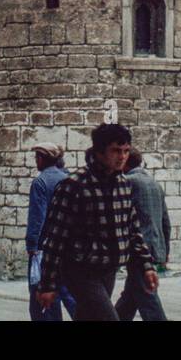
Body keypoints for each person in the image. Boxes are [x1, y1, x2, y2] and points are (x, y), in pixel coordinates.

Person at [35, 122, 157, 321]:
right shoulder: (74, 185)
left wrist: (147, 265)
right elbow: (55, 237)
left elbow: (133, 230)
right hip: (80, 269)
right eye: (116, 150)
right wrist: (47, 284)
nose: (122, 156)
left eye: (126, 151)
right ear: (99, 152)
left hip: (108, 268)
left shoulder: (123, 184)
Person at [114, 148, 170, 321]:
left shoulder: (127, 181)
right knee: (130, 297)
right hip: (155, 245)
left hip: (138, 249)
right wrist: (165, 249)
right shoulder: (154, 183)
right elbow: (165, 221)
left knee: (148, 298)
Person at [25, 143, 77, 321]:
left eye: (37, 158)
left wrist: (32, 245)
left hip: (45, 246)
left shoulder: (40, 182)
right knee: (67, 292)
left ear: (41, 159)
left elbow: (37, 217)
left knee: (41, 294)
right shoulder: (68, 178)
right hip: (67, 245)